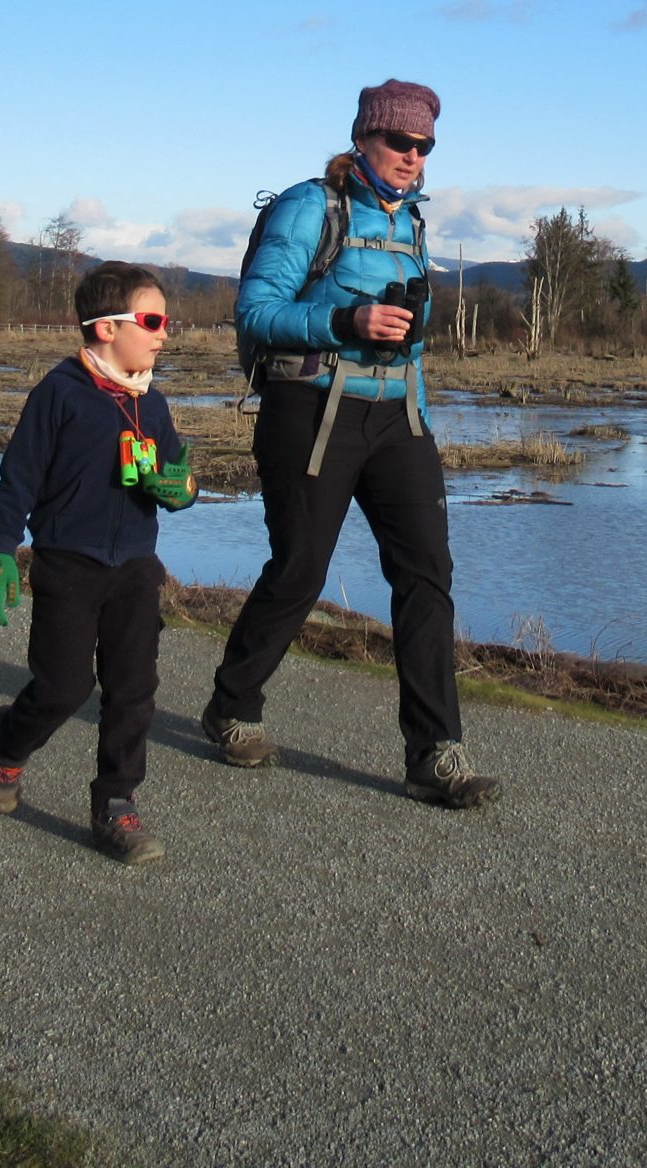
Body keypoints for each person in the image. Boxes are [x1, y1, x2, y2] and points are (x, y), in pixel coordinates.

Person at [202, 79, 499, 808]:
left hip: (398, 418)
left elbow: (411, 341)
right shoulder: (311, 206)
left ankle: (435, 754)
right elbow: (256, 312)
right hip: (312, 410)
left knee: (427, 575)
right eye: (400, 141)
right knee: (300, 570)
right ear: (364, 137)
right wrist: (347, 323)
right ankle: (232, 706)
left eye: (425, 146)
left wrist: (419, 411)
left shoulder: (412, 222)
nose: (413, 156)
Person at [0, 260, 197, 863]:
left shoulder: (153, 404)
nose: (164, 334)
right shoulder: (59, 394)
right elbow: (18, 480)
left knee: (133, 689)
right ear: (106, 328)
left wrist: (180, 489)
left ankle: (116, 804)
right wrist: (0, 551)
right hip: (68, 564)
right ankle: (8, 743)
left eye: (166, 322)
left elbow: (178, 475)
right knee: (64, 687)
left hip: (136, 566)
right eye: (153, 321)